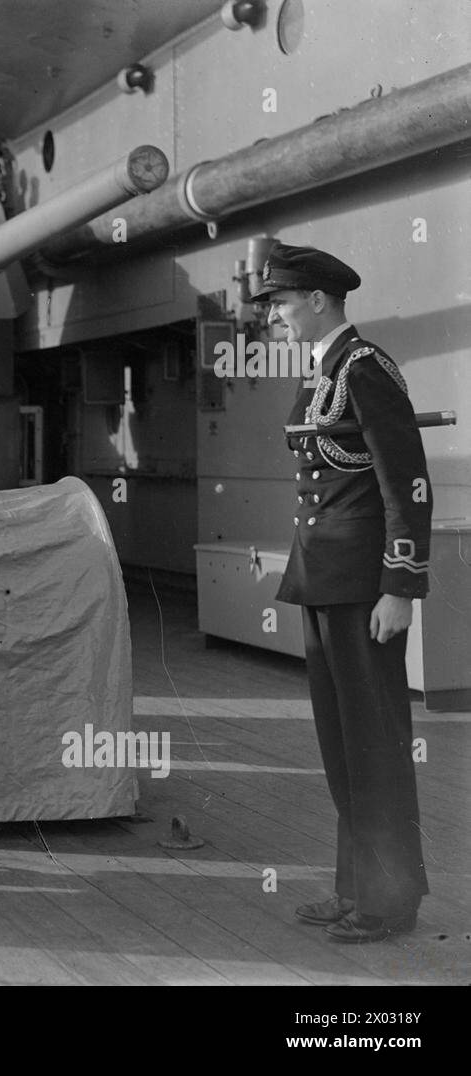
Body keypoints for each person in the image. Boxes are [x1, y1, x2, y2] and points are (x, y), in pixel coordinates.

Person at [252, 243, 431, 943]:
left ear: (319, 300)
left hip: (366, 590)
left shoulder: (365, 370)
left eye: (283, 303)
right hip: (326, 582)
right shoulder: (325, 373)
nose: (277, 317)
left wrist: (402, 586)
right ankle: (355, 886)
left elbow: (405, 485)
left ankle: (389, 900)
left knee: (377, 745)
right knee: (343, 745)